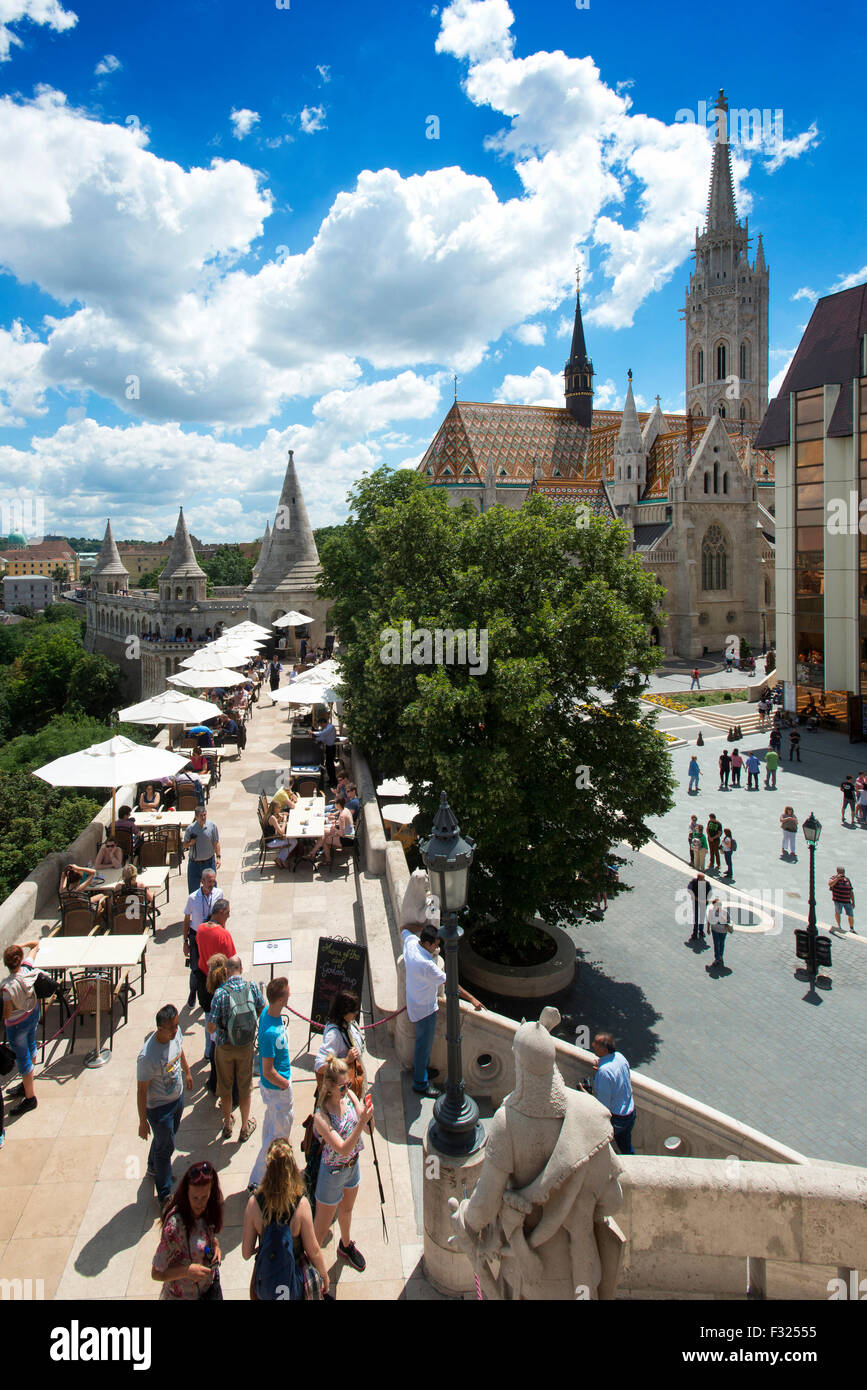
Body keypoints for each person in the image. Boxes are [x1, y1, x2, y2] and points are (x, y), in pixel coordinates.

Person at [402, 923, 483, 1097]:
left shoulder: (411, 943)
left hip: (414, 1001)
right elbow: (451, 983)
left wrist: (423, 926)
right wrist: (472, 999)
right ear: (427, 944)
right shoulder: (426, 965)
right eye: (436, 945)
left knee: (423, 1045)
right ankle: (420, 1083)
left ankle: (422, 1071)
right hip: (425, 1009)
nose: (438, 948)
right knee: (423, 1046)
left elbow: (404, 928)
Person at [243, 1138, 330, 1300]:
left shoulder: (254, 1203)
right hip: (292, 1279)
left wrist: (266, 1245)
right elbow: (313, 1250)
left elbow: (246, 1253)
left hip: (266, 1282)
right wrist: (324, 1275)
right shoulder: (301, 1204)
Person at [312, 1054, 375, 1271]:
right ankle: (311, 1271)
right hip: (333, 1173)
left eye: (348, 1084)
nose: (346, 1089)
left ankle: (346, 1245)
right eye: (342, 1086)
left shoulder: (349, 1098)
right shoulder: (321, 1116)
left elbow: (369, 1129)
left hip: (352, 1167)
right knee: (319, 1230)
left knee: (347, 1211)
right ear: (328, 1086)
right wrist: (362, 1123)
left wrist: (368, 1116)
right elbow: (342, 1147)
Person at [137, 1004, 194, 1206]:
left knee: (166, 1139)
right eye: (171, 1027)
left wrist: (187, 1072)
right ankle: (164, 1194)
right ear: (159, 1029)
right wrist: (143, 1121)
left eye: (177, 1025)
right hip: (159, 1108)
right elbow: (141, 1090)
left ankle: (153, 1165)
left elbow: (180, 1050)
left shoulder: (175, 1034)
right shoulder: (147, 1057)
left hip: (177, 1100)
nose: (176, 1030)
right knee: (166, 1148)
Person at [208, 955, 265, 1142]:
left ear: (226, 971)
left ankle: (227, 1124)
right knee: (245, 1086)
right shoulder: (252, 987)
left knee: (225, 1086)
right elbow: (261, 1010)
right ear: (241, 969)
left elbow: (211, 1025)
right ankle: (244, 1126)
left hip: (225, 1046)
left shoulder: (220, 994)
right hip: (246, 1046)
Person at [152, 1161, 224, 1300]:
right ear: (186, 1193)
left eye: (204, 1197)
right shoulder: (174, 1227)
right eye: (195, 1198)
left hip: (209, 1290)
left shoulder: (210, 1209)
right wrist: (187, 1271)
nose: (199, 1203)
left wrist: (215, 1246)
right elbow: (156, 1273)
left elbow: (209, 1236)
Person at [249, 977, 295, 1190]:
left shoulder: (268, 1012)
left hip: (277, 1089)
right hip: (278, 1090)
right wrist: (284, 1083)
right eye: (287, 993)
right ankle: (259, 1179)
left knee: (271, 1128)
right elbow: (267, 1071)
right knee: (278, 1136)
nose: (290, 995)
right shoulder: (269, 1033)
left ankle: (268, 1172)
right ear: (280, 999)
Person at [1, 942, 41, 1116]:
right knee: (31, 1045)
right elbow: (36, 945)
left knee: (22, 1058)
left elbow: (8, 1013)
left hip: (17, 1025)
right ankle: (27, 1084)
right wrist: (21, 945)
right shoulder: (27, 970)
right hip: (32, 1015)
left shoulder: (6, 987)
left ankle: (30, 1097)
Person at [182, 869, 222, 1010]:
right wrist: (185, 942)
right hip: (196, 936)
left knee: (212, 966)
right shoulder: (193, 898)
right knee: (196, 967)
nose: (212, 884)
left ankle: (210, 993)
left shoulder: (218, 894)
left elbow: (221, 915)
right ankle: (193, 992)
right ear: (202, 881)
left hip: (211, 935)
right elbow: (187, 920)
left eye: (213, 881)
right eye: (209, 881)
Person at [590, 1033, 636, 1155]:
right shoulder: (620, 1057)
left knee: (596, 1145)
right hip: (630, 1113)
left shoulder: (604, 1072)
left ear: (605, 1050)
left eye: (596, 1044)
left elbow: (603, 1105)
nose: (592, 1045)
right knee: (626, 1148)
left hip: (616, 1119)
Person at [314, 990, 365, 1086]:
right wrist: (346, 1060)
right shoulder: (334, 1035)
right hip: (341, 1091)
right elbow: (319, 1066)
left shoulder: (348, 1023)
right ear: (345, 1011)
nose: (356, 1013)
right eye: (354, 1011)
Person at [194, 899, 236, 1012]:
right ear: (221, 912)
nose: (229, 916)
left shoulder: (200, 929)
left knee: (209, 1014)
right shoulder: (224, 935)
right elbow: (231, 960)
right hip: (220, 981)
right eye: (227, 913)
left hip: (204, 979)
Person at [305, 793, 354, 868]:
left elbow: (341, 834)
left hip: (347, 838)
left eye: (335, 803)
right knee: (323, 831)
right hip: (349, 834)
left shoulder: (342, 816)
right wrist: (333, 815)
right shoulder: (345, 809)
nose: (334, 804)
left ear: (338, 804)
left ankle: (327, 860)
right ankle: (313, 853)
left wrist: (334, 829)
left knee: (324, 840)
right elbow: (340, 817)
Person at [183, 805, 221, 893]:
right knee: (193, 892)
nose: (203, 817)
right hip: (194, 864)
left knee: (212, 891)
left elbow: (216, 842)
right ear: (196, 817)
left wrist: (218, 857)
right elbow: (184, 845)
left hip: (209, 862)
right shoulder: (190, 829)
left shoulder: (212, 826)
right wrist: (190, 843)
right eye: (201, 816)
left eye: (205, 815)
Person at [266, 799, 298, 870]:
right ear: (274, 808)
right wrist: (284, 820)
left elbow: (276, 824)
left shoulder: (270, 815)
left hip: (272, 837)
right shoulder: (272, 818)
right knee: (294, 841)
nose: (280, 809)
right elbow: (281, 832)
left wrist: (281, 816)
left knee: (291, 840)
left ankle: (280, 858)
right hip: (270, 842)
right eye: (279, 808)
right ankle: (281, 858)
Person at [706, 898, 732, 970]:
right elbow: (709, 920)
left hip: (723, 931)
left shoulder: (725, 912)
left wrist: (724, 919)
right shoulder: (711, 912)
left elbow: (729, 921)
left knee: (721, 943)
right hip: (715, 930)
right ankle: (717, 958)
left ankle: (720, 956)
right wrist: (708, 928)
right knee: (716, 943)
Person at [313, 715, 339, 788]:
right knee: (328, 764)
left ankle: (333, 781)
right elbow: (322, 737)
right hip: (328, 747)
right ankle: (331, 779)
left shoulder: (330, 728)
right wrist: (316, 739)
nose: (321, 726)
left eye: (321, 725)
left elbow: (322, 734)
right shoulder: (326, 728)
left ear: (324, 723)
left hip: (331, 747)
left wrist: (314, 734)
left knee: (330, 765)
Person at [828, 867, 855, 933]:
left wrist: (853, 901)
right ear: (837, 871)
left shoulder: (847, 879)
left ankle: (851, 928)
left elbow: (851, 891)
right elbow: (830, 884)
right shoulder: (833, 878)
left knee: (851, 915)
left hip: (847, 901)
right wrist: (837, 878)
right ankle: (839, 926)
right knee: (838, 913)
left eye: (843, 871)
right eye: (841, 871)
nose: (842, 873)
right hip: (838, 900)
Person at [686, 873, 709, 942]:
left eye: (703, 878)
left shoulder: (707, 884)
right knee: (696, 917)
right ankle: (695, 933)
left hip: (704, 903)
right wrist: (694, 897)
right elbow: (689, 889)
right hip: (696, 902)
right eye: (701, 879)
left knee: (702, 917)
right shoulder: (694, 882)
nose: (703, 880)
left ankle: (701, 931)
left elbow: (710, 892)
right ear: (698, 878)